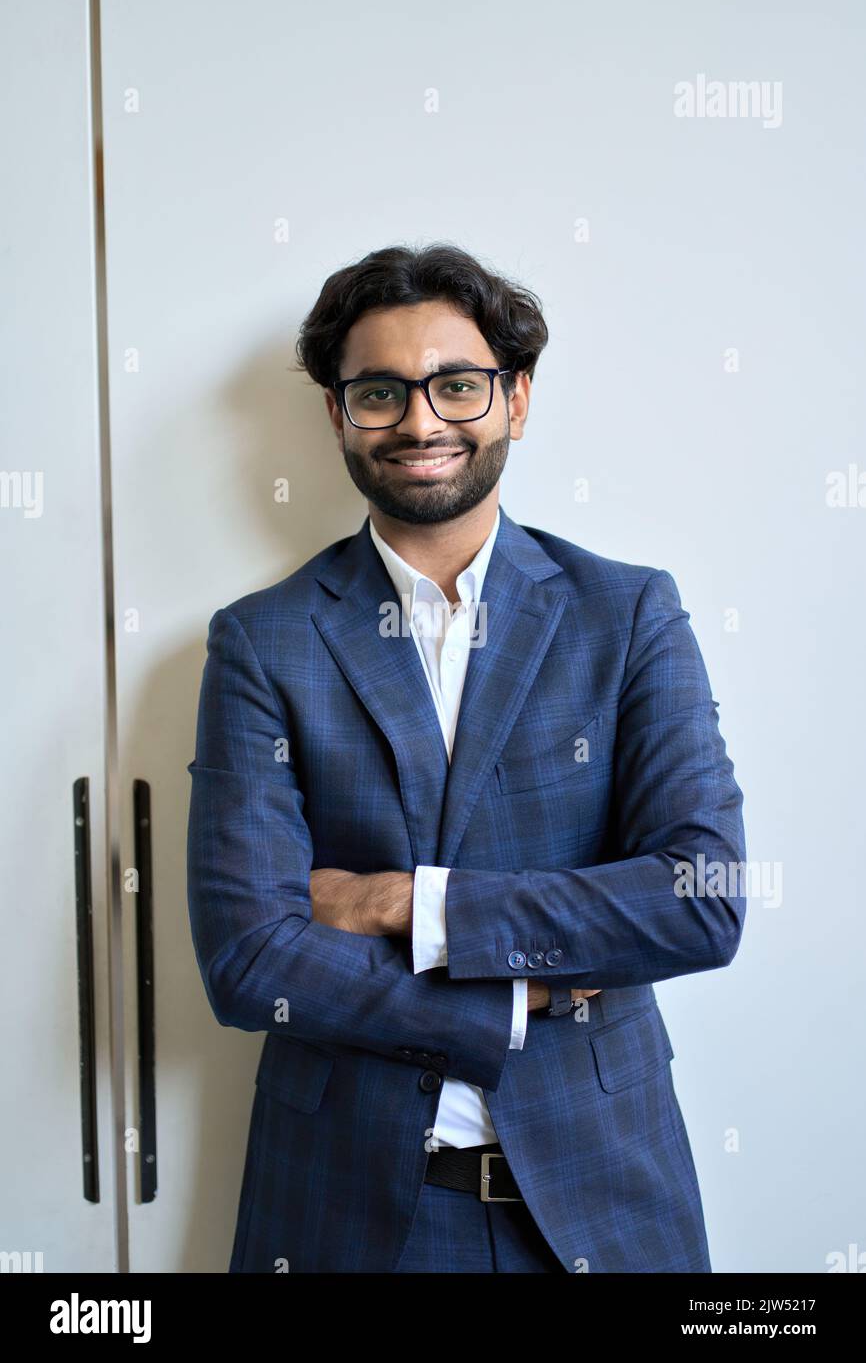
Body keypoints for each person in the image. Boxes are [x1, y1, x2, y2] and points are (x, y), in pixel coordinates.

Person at [186, 242, 746, 1273]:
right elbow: (246, 957)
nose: (420, 422)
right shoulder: (261, 639)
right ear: (336, 415)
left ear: (515, 399)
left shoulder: (625, 615)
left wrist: (409, 903)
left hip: (601, 1200)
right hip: (342, 1214)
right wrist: (511, 996)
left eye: (455, 385)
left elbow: (694, 900)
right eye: (378, 392)